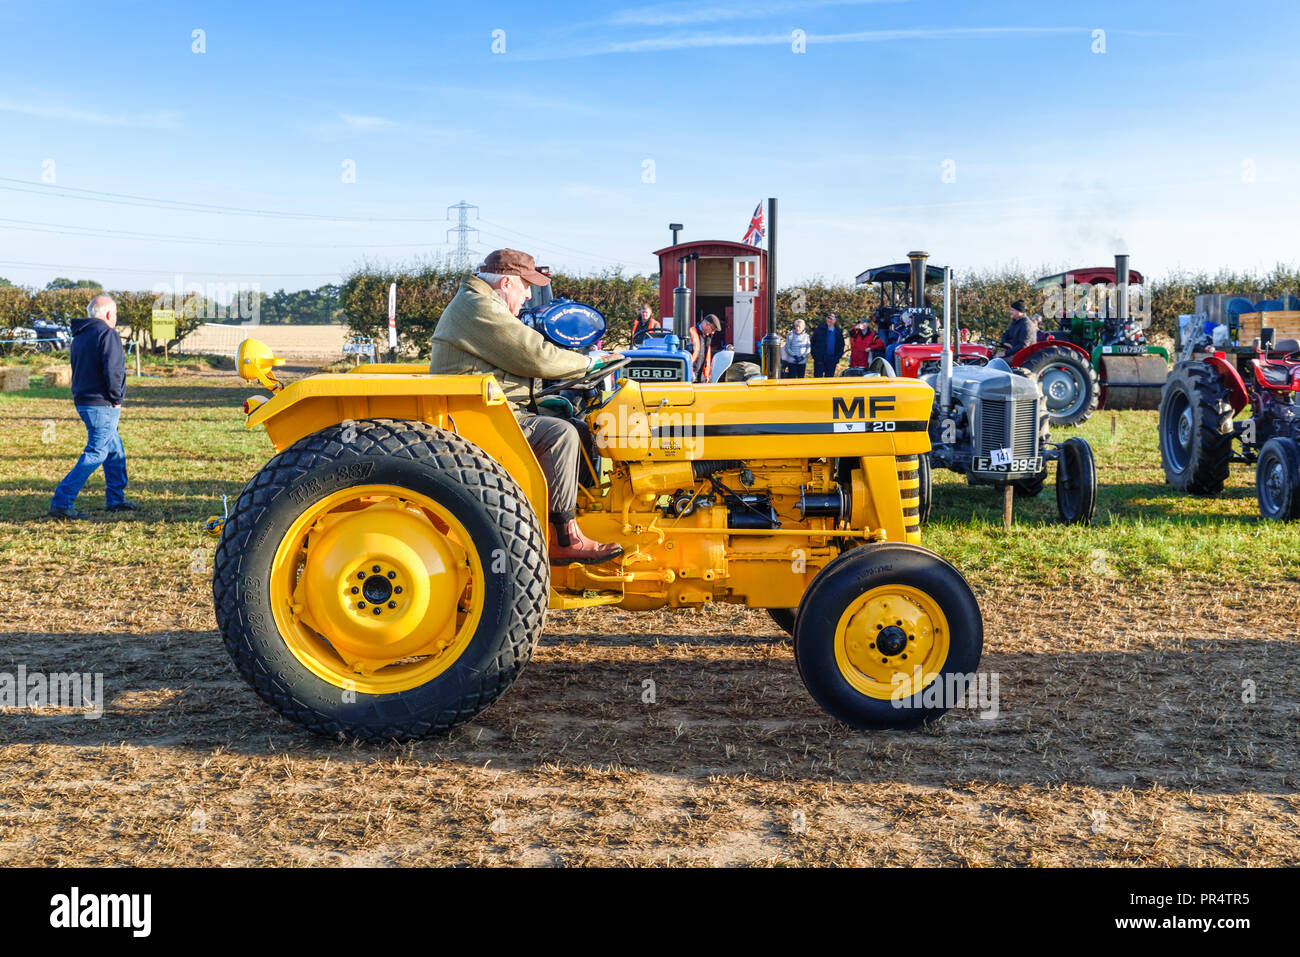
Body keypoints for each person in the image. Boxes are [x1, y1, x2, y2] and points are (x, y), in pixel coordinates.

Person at [428, 248, 623, 565]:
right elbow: (534, 355)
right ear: (507, 283)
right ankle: (564, 537)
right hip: (472, 420)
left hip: (488, 408)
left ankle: (586, 513)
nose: (530, 294)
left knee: (578, 425)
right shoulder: (478, 306)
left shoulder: (481, 301)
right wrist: (587, 363)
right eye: (526, 286)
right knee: (560, 434)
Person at [49, 295, 136, 520]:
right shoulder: (107, 334)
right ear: (109, 314)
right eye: (115, 313)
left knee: (114, 448)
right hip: (102, 403)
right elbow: (114, 370)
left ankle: (116, 499)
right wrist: (117, 398)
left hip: (85, 400)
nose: (115, 318)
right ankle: (62, 501)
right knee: (97, 452)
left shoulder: (81, 335)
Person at [810, 311, 844, 378]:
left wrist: (836, 358)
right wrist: (816, 357)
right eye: (828, 318)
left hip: (832, 360)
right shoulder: (819, 329)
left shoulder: (838, 331)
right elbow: (812, 343)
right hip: (820, 360)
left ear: (835, 320)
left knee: (829, 381)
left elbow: (841, 346)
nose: (829, 320)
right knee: (817, 380)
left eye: (831, 319)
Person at [689, 314, 718, 382]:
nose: (713, 332)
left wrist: (707, 375)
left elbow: (707, 359)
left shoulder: (707, 337)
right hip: (692, 376)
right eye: (713, 329)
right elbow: (687, 355)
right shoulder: (691, 333)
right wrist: (690, 372)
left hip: (701, 377)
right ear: (706, 324)